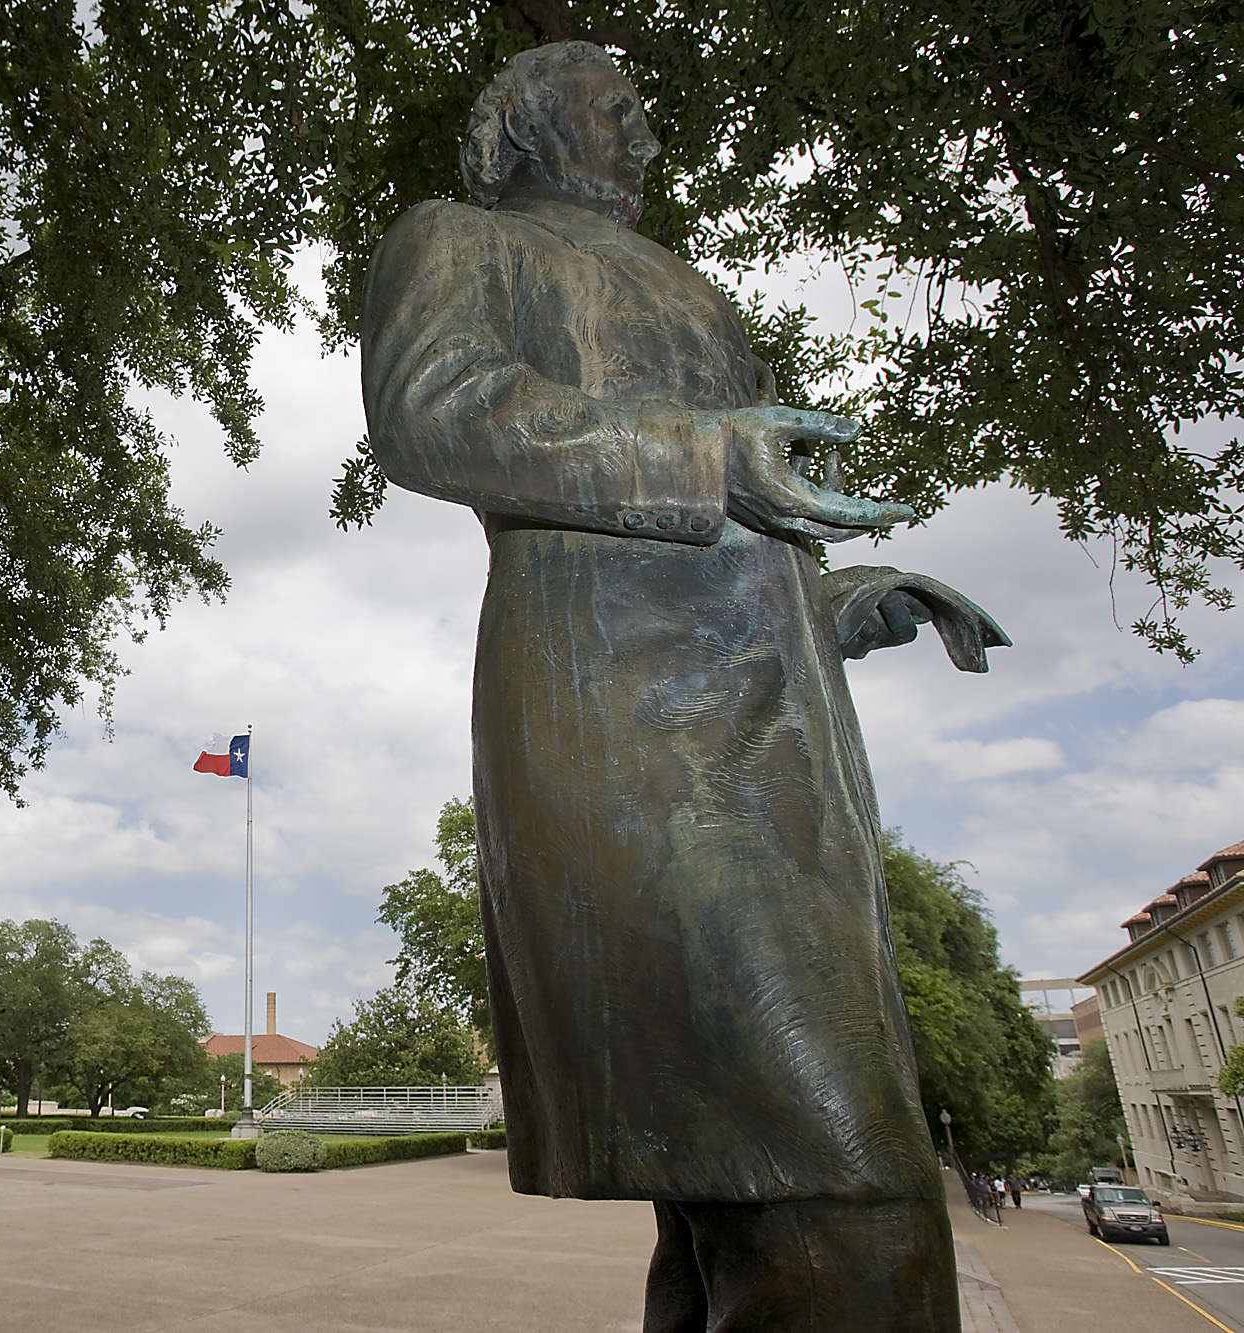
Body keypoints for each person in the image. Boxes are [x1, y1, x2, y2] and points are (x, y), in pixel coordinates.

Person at [361, 40, 1006, 1333]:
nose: (650, 140)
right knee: (846, 1189)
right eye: (622, 111)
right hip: (632, 749)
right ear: (529, 127)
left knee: (736, 1187)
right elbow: (432, 410)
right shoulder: (459, 243)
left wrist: (835, 597)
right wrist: (712, 455)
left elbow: (739, 526)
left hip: (778, 750)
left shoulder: (696, 294)